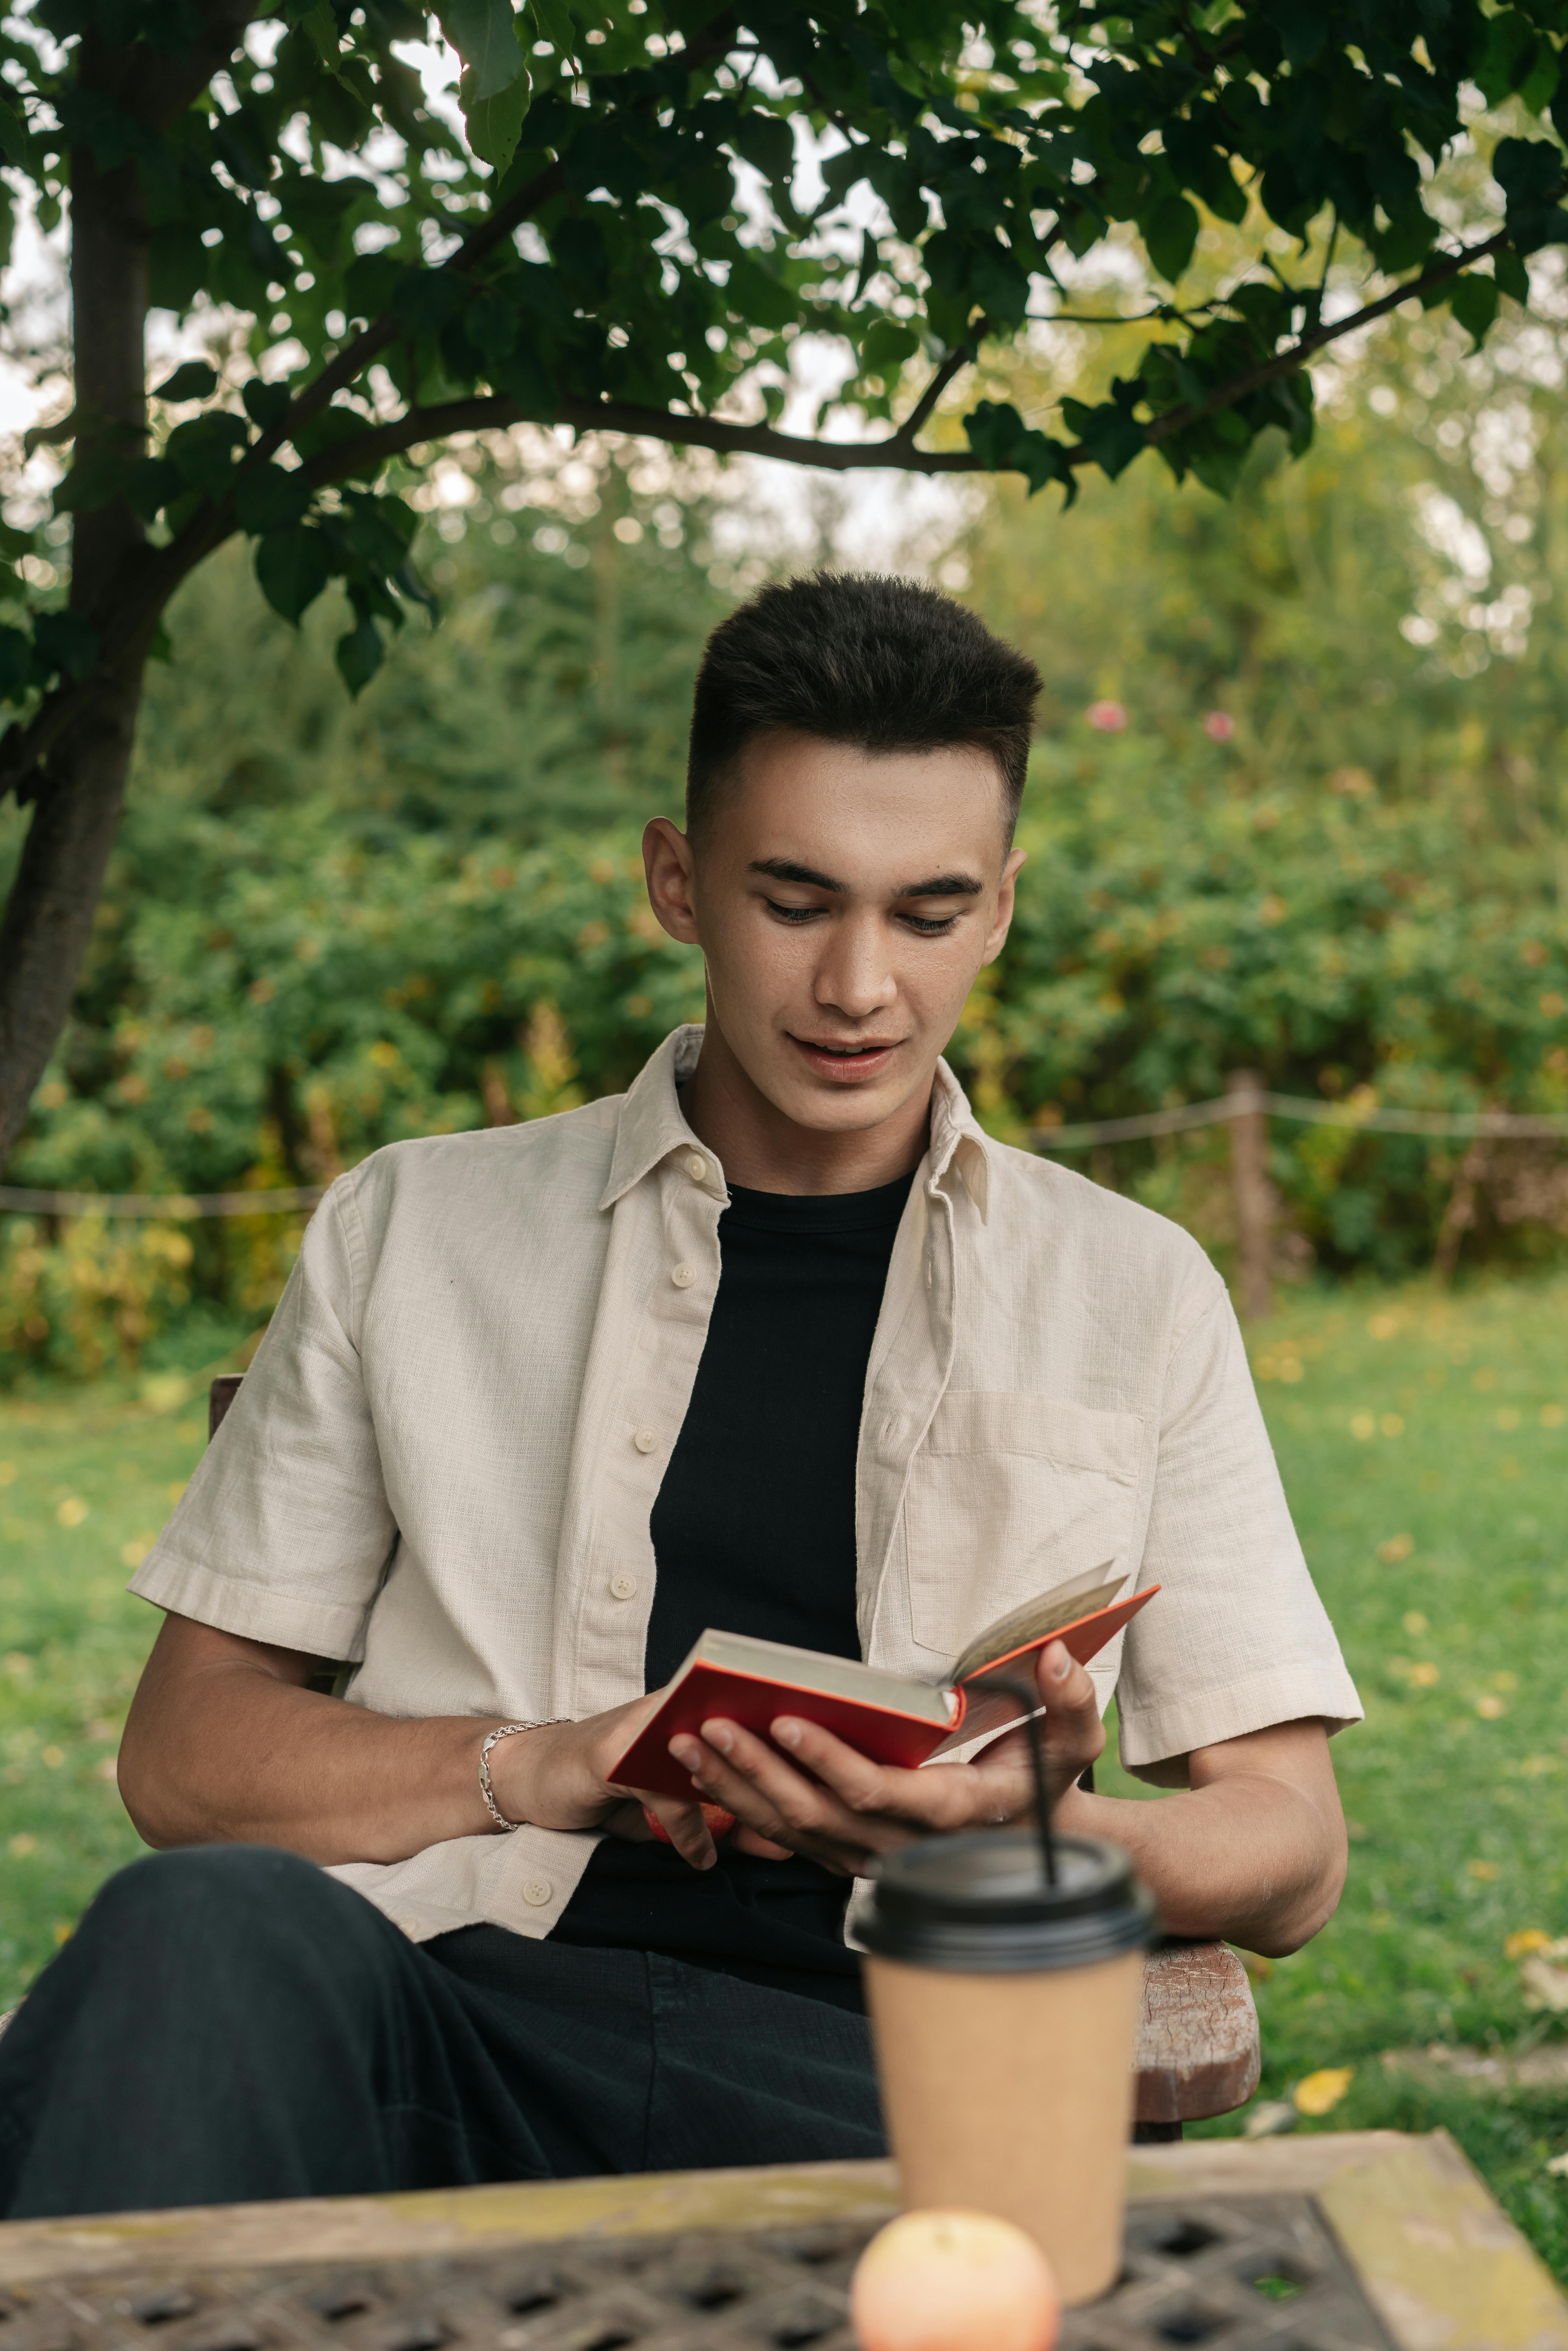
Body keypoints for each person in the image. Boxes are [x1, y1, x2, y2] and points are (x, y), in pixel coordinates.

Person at [0, 573, 1360, 2219]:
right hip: (448, 2017)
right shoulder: (414, 1227)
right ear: (677, 880)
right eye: (794, 900)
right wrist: (554, 1760)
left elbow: (1288, 1849)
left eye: (926, 915)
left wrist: (1021, 1846)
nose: (859, 985)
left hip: (888, 2081)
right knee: (189, 1935)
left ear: (999, 909)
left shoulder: (1131, 1292)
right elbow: (185, 1762)